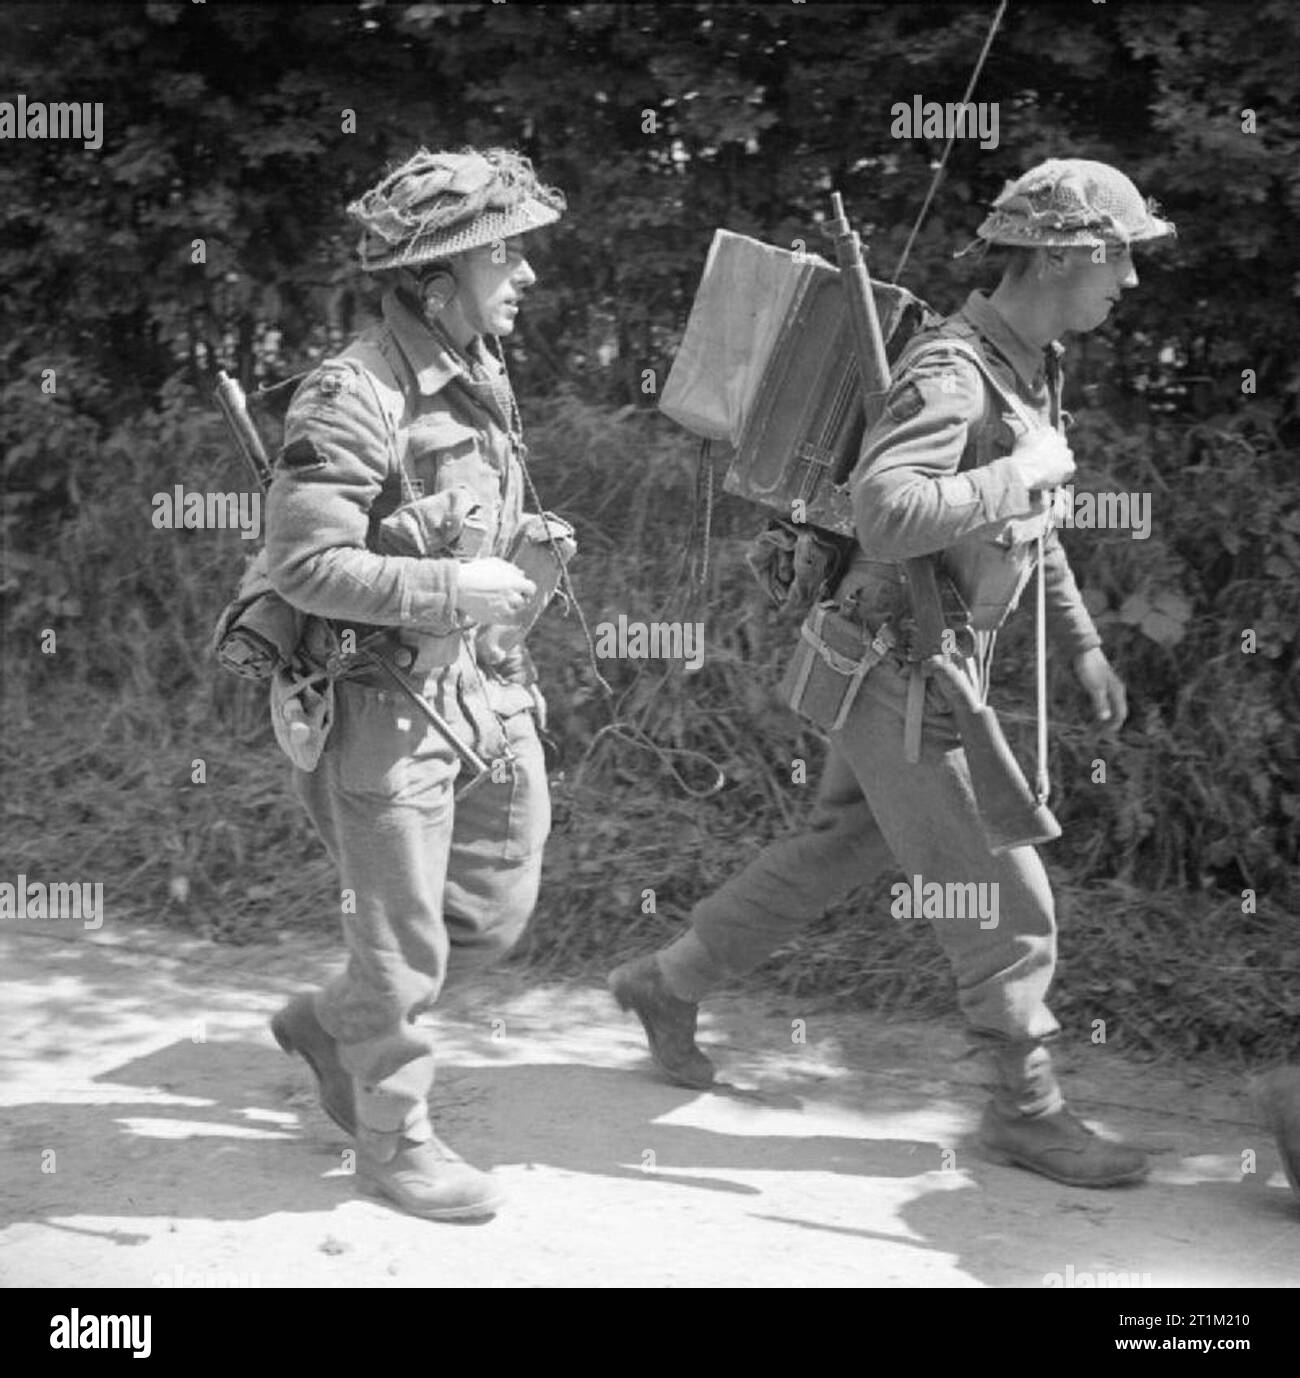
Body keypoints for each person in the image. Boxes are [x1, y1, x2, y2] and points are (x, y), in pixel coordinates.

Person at [610, 158, 1174, 1189]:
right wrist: (1022, 470)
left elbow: (1027, 525)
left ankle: (668, 979)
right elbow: (888, 510)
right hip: (899, 670)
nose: (1128, 281)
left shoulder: (1025, 367)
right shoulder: (953, 374)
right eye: (1118, 255)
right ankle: (1025, 1108)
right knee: (1002, 891)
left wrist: (1081, 637)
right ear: (1058, 253)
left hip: (908, 653)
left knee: (840, 843)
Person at [264, 146, 569, 1221]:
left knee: (491, 906)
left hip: (482, 688)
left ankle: (328, 1021)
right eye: (504, 256)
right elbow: (302, 564)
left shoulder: (475, 363)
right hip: (381, 711)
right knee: (401, 946)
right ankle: (393, 1140)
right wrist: (451, 583)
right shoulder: (351, 393)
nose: (525, 273)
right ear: (437, 283)